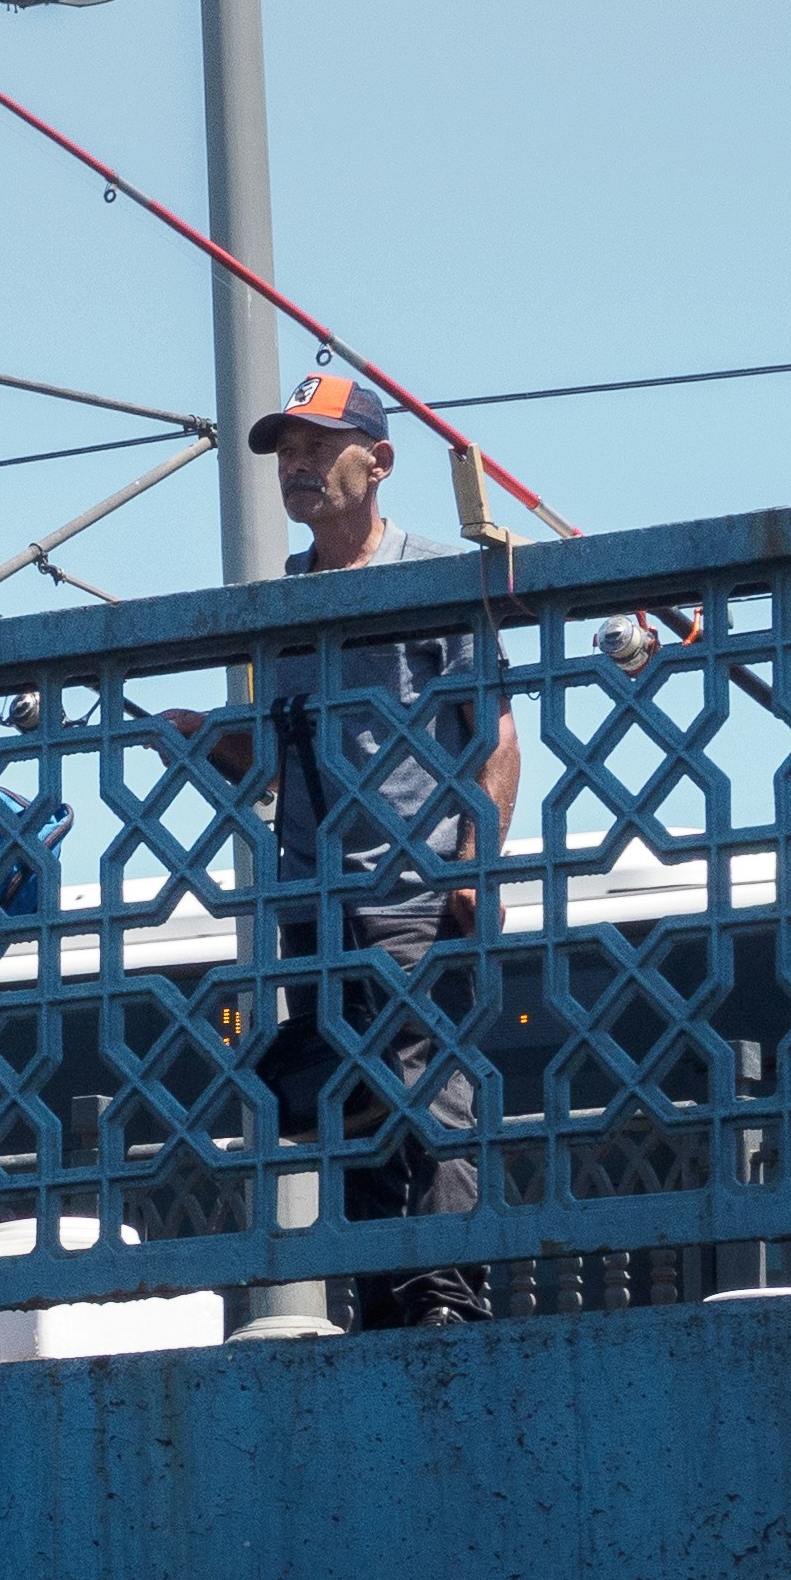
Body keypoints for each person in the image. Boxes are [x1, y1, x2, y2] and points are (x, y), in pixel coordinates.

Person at [237, 370, 518, 1328]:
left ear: (380, 461)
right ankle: (388, 1304)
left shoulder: (431, 574)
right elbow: (271, 742)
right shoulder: (285, 600)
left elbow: (496, 734)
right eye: (287, 450)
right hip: (317, 903)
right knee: (352, 1102)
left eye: (317, 445)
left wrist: (475, 863)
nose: (298, 464)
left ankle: (447, 1296)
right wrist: (203, 731)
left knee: (430, 1098)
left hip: (416, 887)